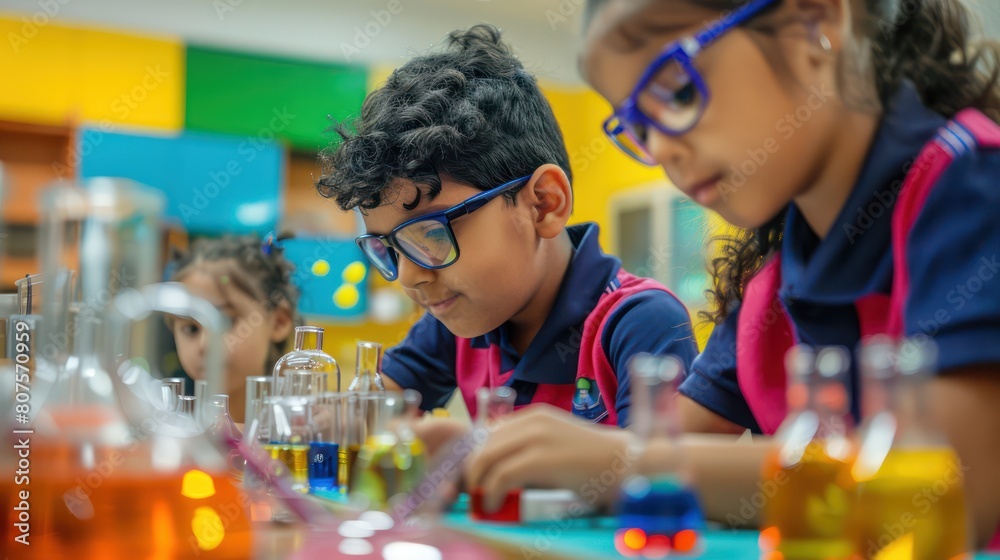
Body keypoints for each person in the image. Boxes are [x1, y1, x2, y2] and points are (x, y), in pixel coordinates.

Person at [464, 0, 1000, 548]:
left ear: (815, 20)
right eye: (638, 127)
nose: (661, 150)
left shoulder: (972, 184)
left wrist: (620, 461)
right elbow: (666, 450)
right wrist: (485, 455)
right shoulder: (769, 286)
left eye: (678, 91)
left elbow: (949, 496)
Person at [316, 24, 698, 427]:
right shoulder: (455, 321)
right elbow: (355, 419)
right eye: (389, 248)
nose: (409, 277)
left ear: (543, 204)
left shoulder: (638, 322)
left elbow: (657, 477)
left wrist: (468, 460)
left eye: (431, 234)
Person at [168, 235, 297, 422]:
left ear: (279, 321)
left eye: (225, 322)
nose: (205, 344)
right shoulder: (173, 434)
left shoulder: (306, 434)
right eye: (191, 328)